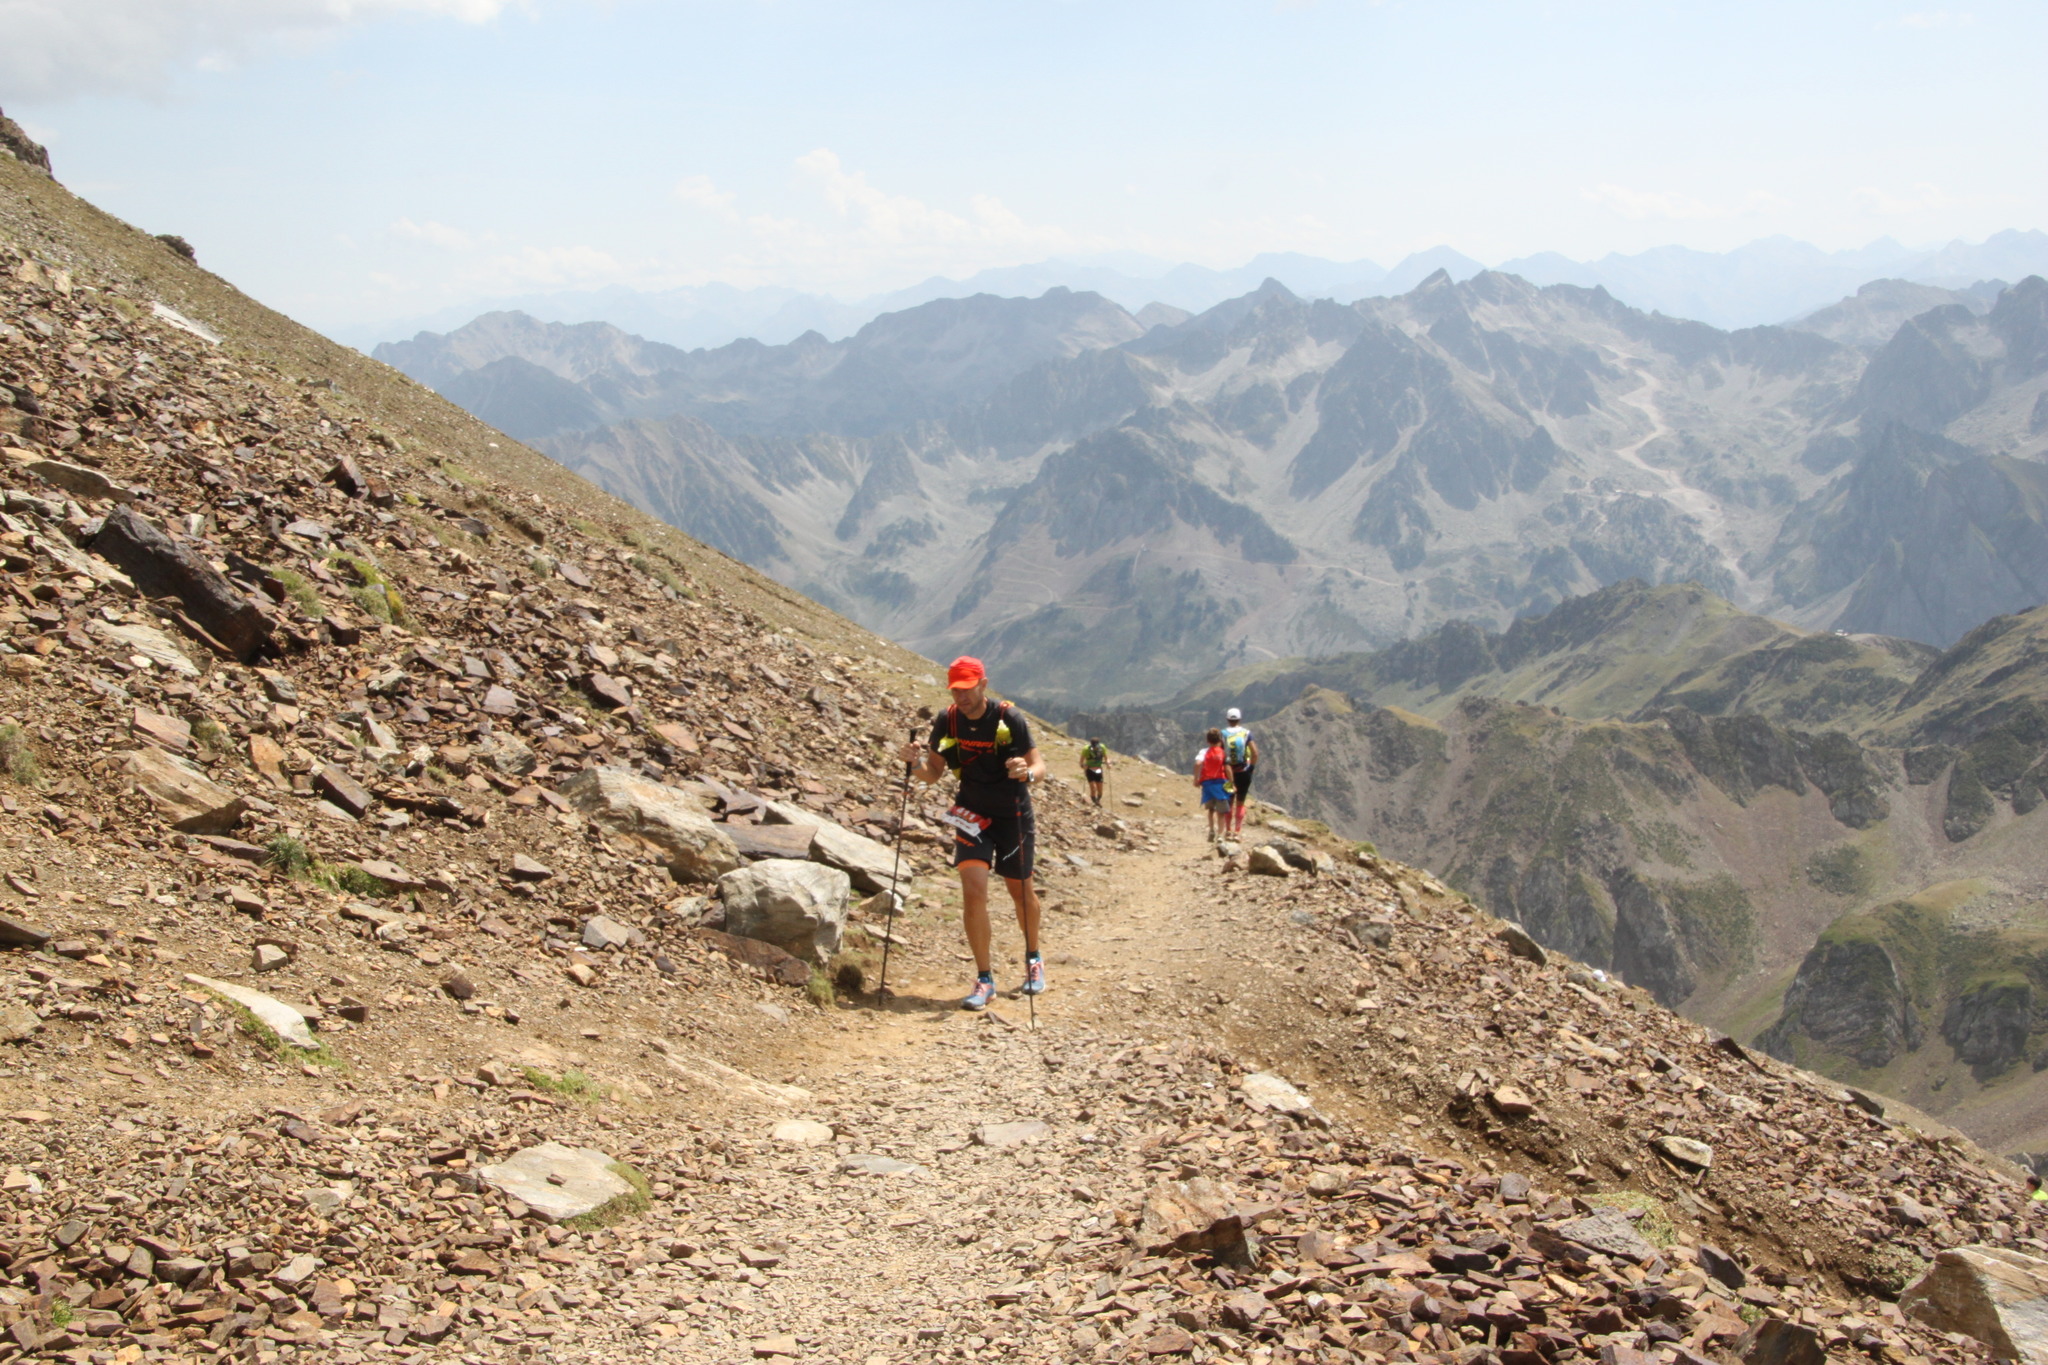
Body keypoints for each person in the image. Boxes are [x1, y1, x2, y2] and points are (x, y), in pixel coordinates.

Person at [899, 656, 1048, 1010]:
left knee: (1020, 890)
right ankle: (984, 979)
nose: (961, 697)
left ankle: (1033, 958)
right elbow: (933, 772)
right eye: (955, 690)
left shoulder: (1008, 717)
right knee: (973, 891)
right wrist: (913, 763)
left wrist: (1025, 773)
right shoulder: (947, 720)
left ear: (982, 684)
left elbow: (1039, 766)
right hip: (972, 815)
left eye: (967, 689)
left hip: (1012, 815)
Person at [1221, 707, 1259, 836]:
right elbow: (1255, 753)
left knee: (1229, 801)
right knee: (1241, 802)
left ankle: (1227, 829)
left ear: (1227, 719)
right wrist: (1251, 768)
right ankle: (1237, 831)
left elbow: (1219, 754)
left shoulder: (1223, 733)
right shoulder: (1246, 733)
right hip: (1244, 771)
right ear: (1240, 719)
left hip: (1227, 773)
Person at [1193, 727, 1233, 841]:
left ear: (1208, 741)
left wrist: (1196, 778)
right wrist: (1232, 782)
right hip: (1221, 785)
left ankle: (1211, 830)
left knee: (1211, 810)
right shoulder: (1223, 753)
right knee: (1221, 812)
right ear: (1220, 740)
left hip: (1207, 785)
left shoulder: (1204, 751)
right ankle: (1220, 835)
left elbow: (1197, 764)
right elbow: (1228, 769)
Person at [1079, 736, 1109, 806]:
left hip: (1098, 770)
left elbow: (1106, 758)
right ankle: (1094, 802)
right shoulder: (1086, 749)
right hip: (1089, 770)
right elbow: (1081, 762)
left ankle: (1098, 800)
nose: (1095, 748)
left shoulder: (1102, 748)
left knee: (1100, 790)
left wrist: (1108, 763)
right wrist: (1083, 766)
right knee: (1093, 788)